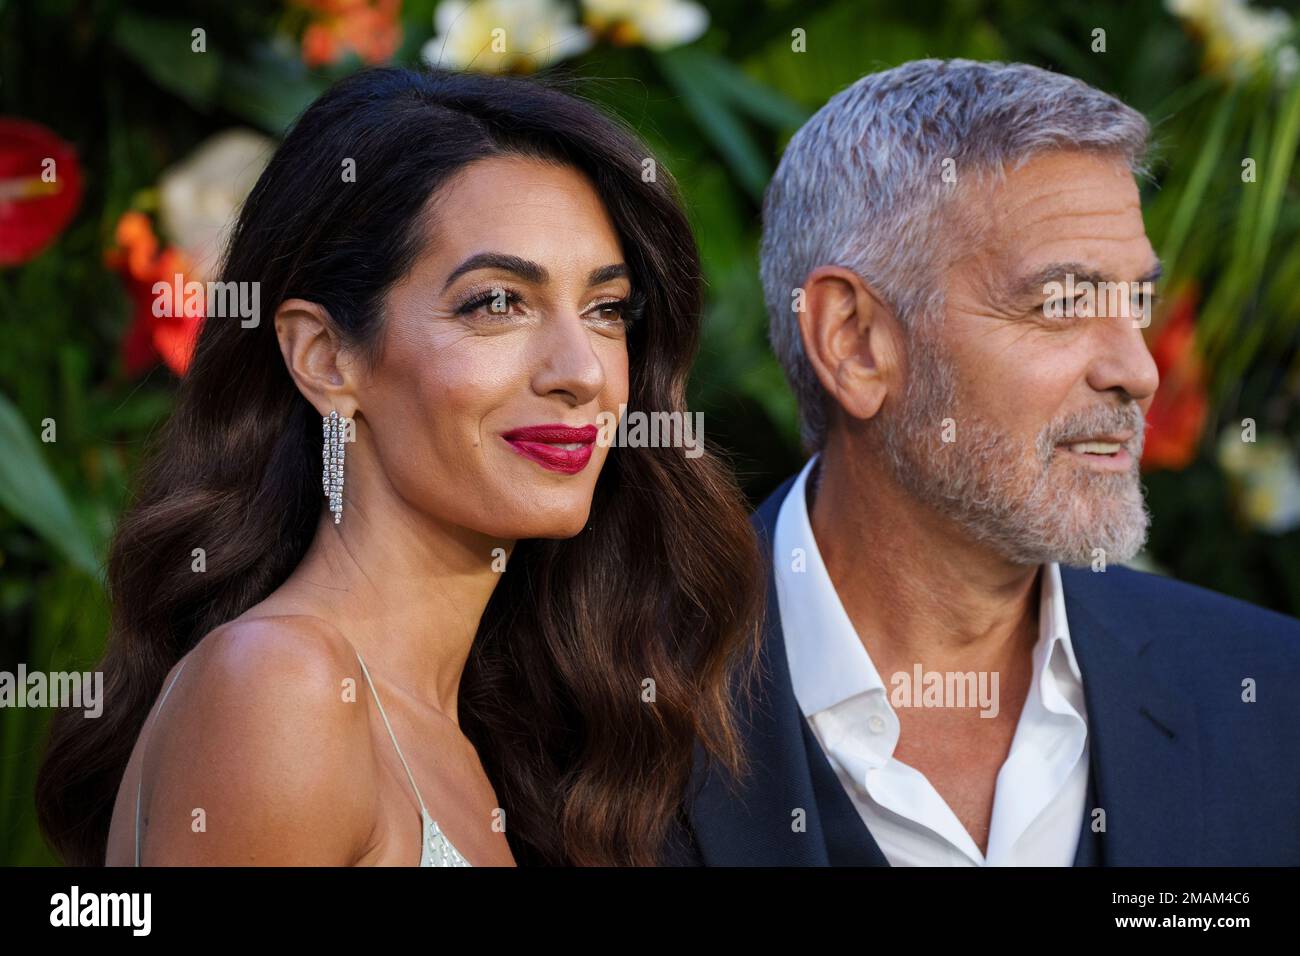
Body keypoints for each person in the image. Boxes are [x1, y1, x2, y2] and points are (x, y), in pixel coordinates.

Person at [36, 67, 763, 867]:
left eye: (605, 309)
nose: (581, 371)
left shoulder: (491, 731)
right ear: (325, 358)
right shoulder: (282, 688)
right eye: (497, 302)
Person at [666, 58, 1300, 866]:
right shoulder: (594, 703)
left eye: (1136, 302)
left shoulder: (1272, 696)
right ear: (855, 343)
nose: (1138, 372)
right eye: (1064, 302)